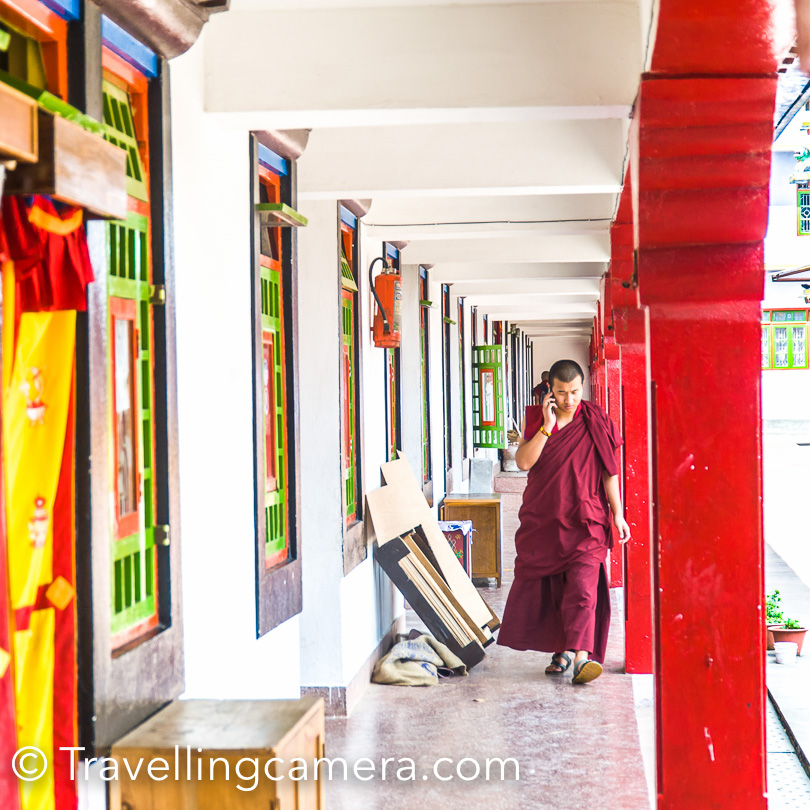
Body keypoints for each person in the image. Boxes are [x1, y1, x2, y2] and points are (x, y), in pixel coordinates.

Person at [497, 359, 630, 684]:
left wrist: (618, 514)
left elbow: (609, 472)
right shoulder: (538, 420)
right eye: (561, 392)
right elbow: (525, 461)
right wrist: (546, 424)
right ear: (550, 392)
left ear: (582, 388)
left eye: (574, 392)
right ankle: (564, 649)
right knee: (555, 590)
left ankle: (582, 657)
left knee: (584, 590)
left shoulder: (595, 420)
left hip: (588, 522)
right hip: (547, 523)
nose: (569, 399)